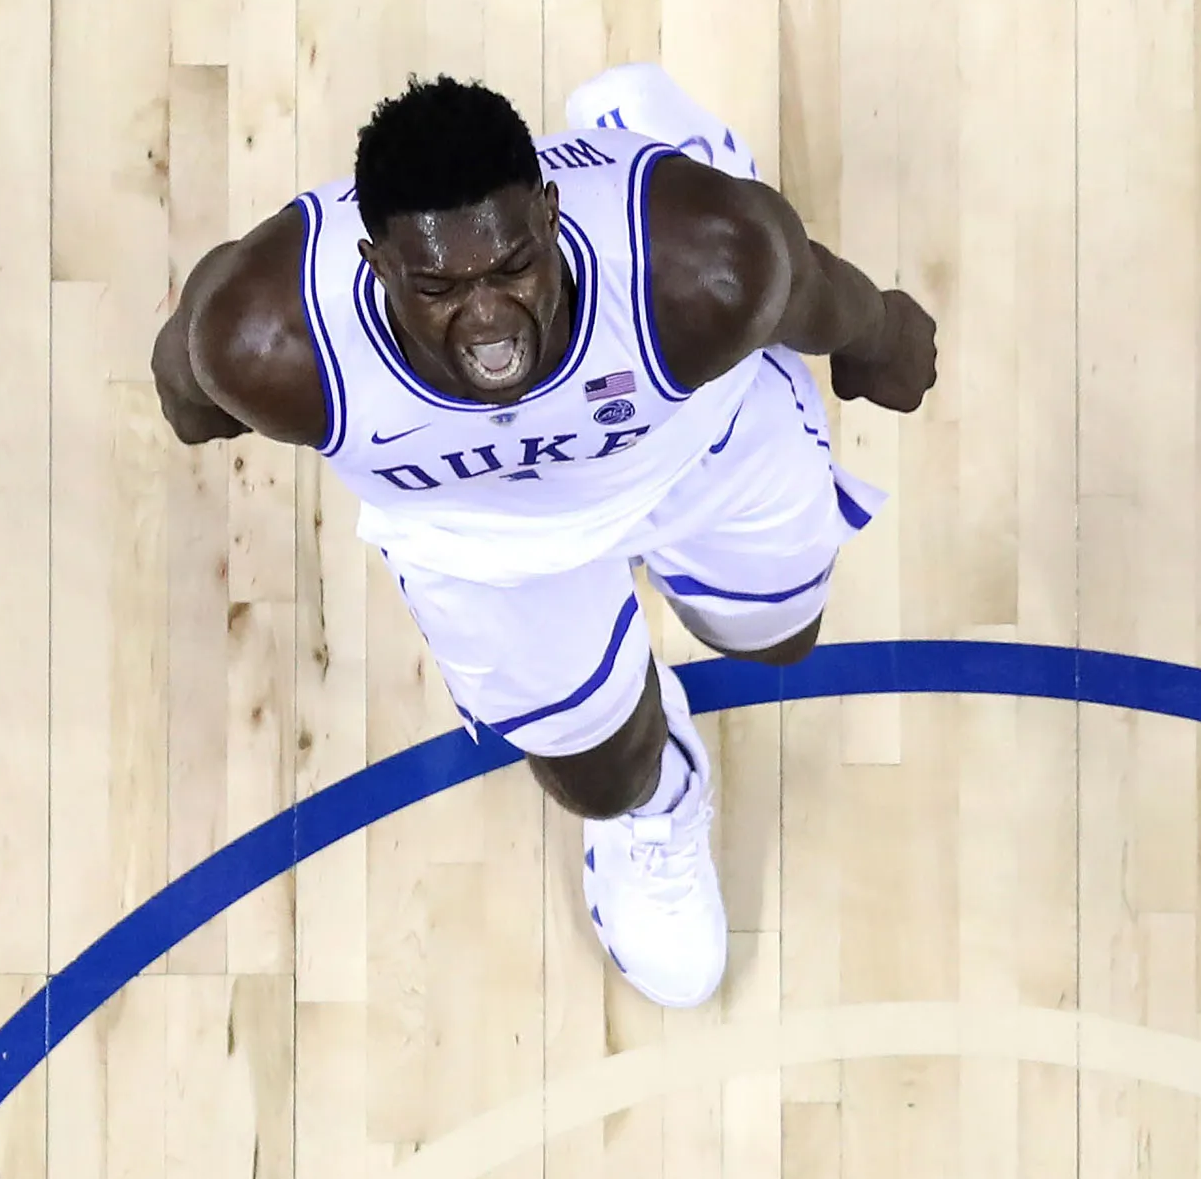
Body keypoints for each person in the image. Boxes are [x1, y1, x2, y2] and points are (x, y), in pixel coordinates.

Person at [149, 65, 937, 1008]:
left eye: (513, 267)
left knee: (776, 642)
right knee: (599, 780)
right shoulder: (273, 335)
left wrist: (878, 336)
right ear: (375, 266)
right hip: (480, 535)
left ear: (553, 217)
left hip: (691, 452)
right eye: (438, 286)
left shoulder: (699, 263)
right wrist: (213, 406)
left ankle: (667, 147)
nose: (488, 318)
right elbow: (185, 387)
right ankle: (660, 805)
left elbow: (811, 288)